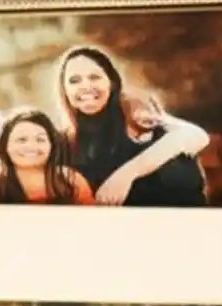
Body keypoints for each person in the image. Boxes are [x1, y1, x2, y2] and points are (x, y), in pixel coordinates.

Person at [55, 45, 210, 207]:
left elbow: (197, 136)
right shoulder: (63, 144)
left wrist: (127, 174)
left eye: (94, 77)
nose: (85, 86)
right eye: (74, 80)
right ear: (64, 90)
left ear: (112, 82)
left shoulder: (138, 113)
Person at [0, 107, 95, 204]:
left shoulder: (71, 180)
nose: (31, 146)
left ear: (52, 145)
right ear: (5, 146)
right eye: (22, 140)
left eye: (40, 139)